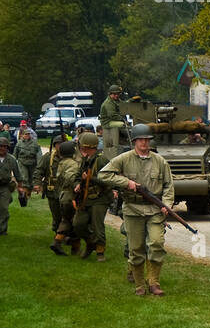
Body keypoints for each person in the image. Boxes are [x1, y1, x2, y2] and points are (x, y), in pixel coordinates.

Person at [98, 124, 175, 296]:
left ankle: (154, 282)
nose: (144, 143)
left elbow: (169, 185)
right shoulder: (124, 159)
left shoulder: (160, 161)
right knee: (136, 249)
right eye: (141, 140)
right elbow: (103, 174)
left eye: (147, 140)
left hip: (155, 209)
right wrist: (127, 183)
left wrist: (167, 204)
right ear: (134, 141)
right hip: (133, 210)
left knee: (156, 243)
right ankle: (140, 284)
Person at [71, 131, 113, 261]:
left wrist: (91, 178)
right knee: (78, 224)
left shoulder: (101, 160)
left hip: (100, 197)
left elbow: (109, 180)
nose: (81, 149)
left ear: (89, 147)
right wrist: (78, 183)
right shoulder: (85, 160)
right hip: (85, 197)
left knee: (97, 225)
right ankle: (90, 243)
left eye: (83, 147)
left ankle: (100, 251)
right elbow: (78, 176)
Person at [48, 141, 81, 256]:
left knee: (67, 221)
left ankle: (60, 242)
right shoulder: (72, 164)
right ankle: (71, 247)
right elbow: (71, 177)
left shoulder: (62, 162)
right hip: (70, 195)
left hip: (63, 195)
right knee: (75, 221)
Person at [13, 126, 41, 200]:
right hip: (22, 162)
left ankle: (29, 193)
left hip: (32, 163)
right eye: (26, 134)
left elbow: (38, 154)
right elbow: (15, 154)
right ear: (22, 135)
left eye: (28, 134)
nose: (27, 136)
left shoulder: (35, 144)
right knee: (24, 177)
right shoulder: (19, 143)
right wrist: (13, 163)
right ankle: (25, 195)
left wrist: (39, 163)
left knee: (32, 178)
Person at [0, 136, 20, 235]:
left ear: (8, 148)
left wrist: (21, 187)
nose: (2, 148)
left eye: (5, 146)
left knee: (3, 208)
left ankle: (2, 230)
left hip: (5, 186)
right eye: (0, 146)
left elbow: (17, 173)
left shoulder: (11, 159)